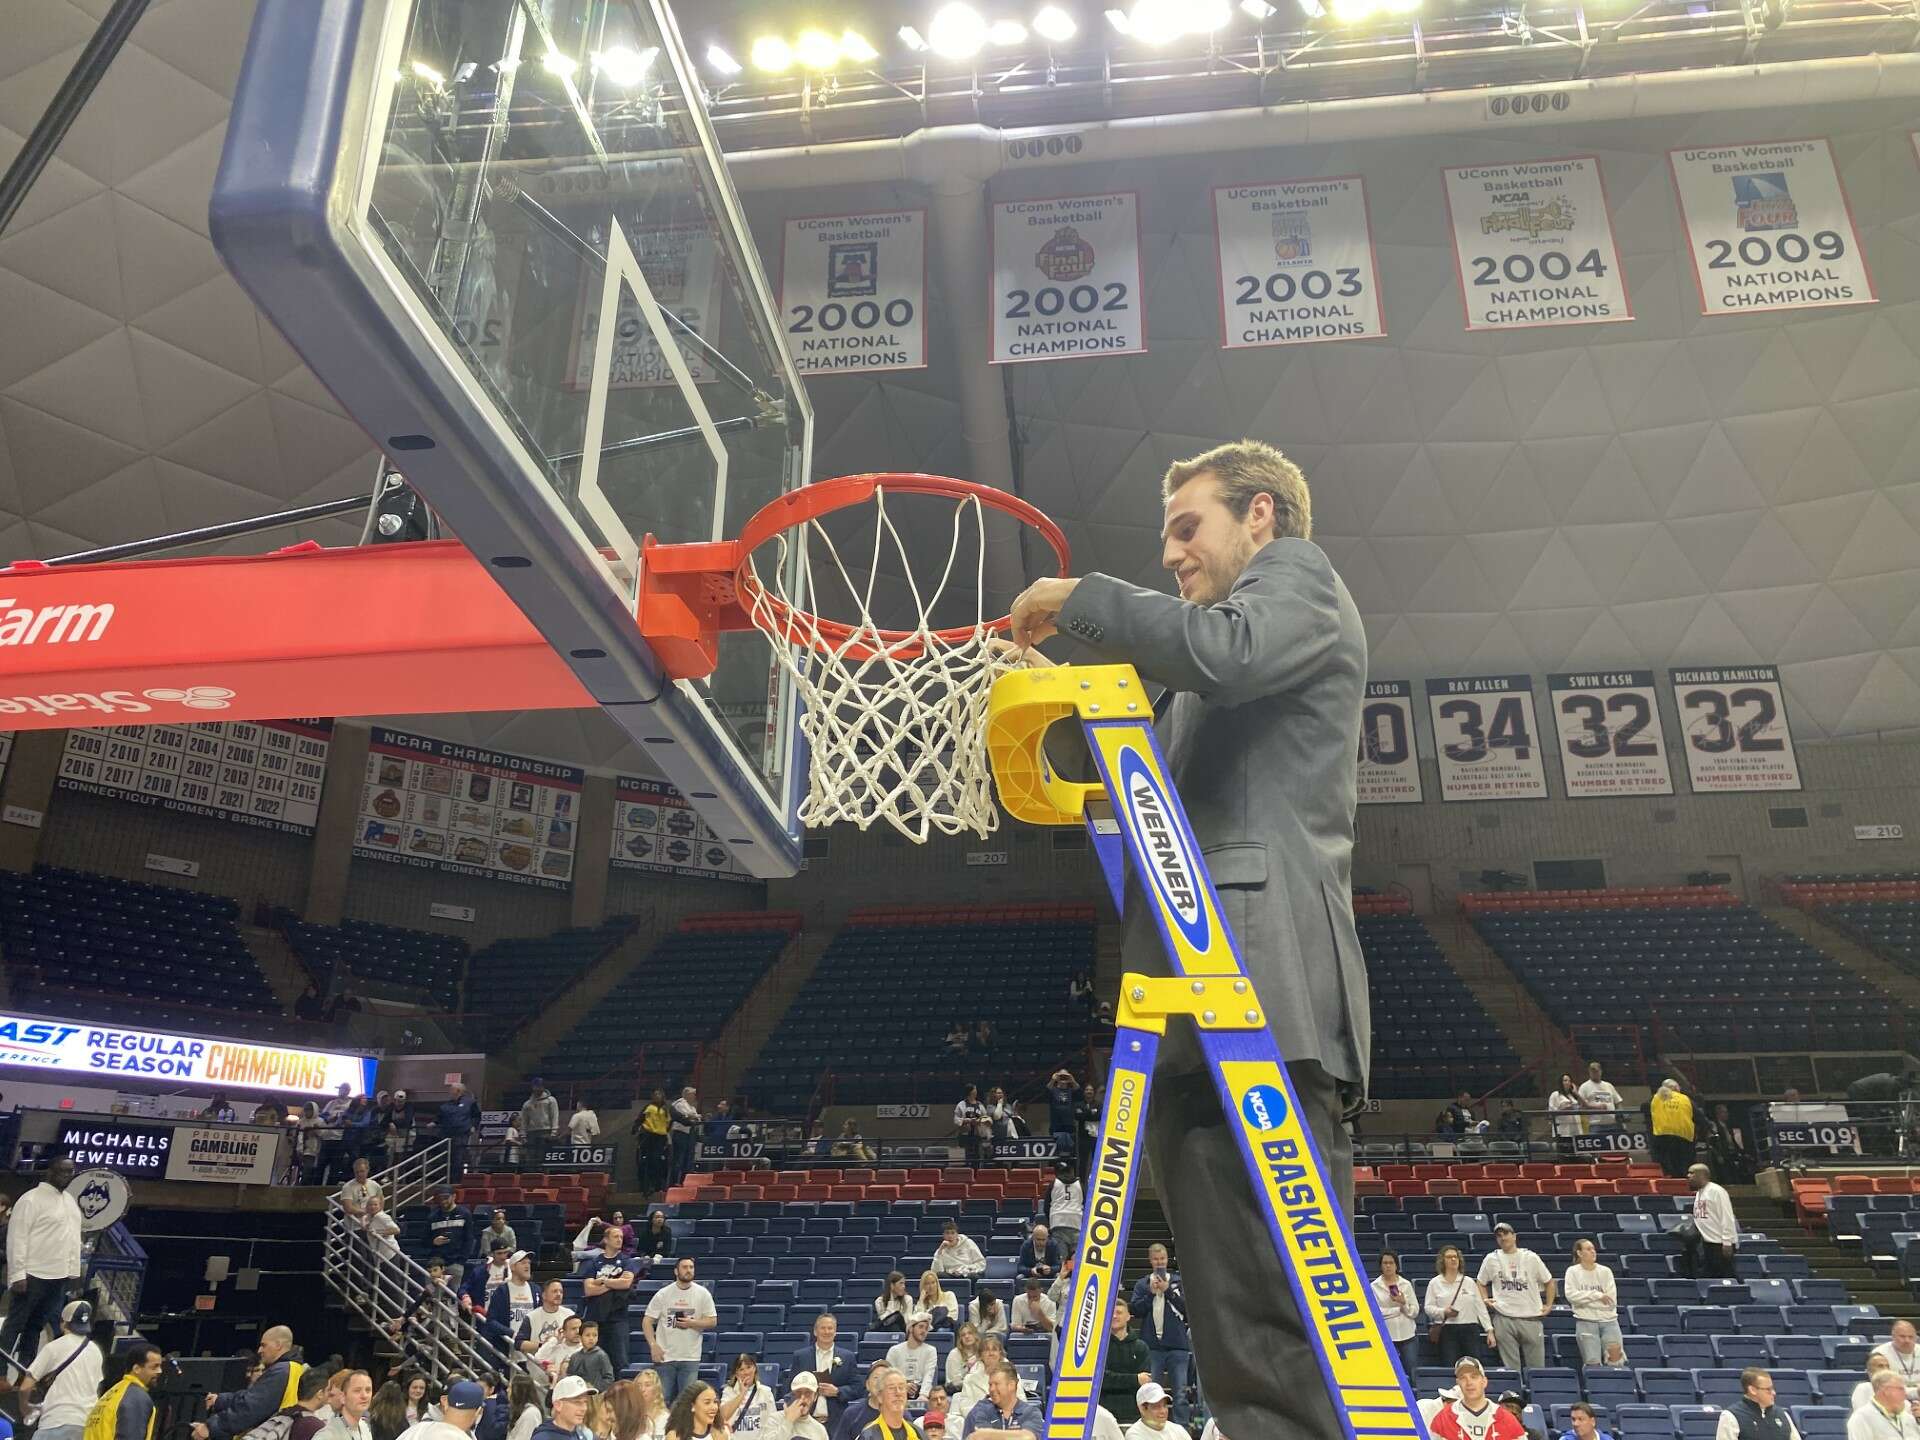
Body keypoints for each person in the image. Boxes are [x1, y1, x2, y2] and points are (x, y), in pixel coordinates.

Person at [1009, 439, 1366, 1440]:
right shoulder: (1190, 672)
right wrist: (1033, 684)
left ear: (1260, 516)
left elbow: (1222, 652)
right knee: (1240, 1352)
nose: (1171, 552)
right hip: (1180, 1003)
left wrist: (1084, 594)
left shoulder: (1297, 580)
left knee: (1284, 1343)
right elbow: (1115, 759)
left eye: (1186, 526)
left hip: (1263, 988)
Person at [3, 1149, 81, 1368]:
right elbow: (17, 1239)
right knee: (14, 1325)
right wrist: (17, 1274)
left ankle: (25, 1370)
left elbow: (74, 1239)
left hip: (58, 1276)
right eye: (62, 1172)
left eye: (71, 1172)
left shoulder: (70, 1201)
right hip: (32, 1275)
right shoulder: (30, 1200)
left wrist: (73, 1271)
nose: (67, 1176)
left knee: (36, 1326)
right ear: (50, 1172)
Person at [194, 1326, 303, 1440]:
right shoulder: (295, 1368)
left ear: (278, 1345)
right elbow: (251, 1396)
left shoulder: (281, 1371)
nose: (259, 1350)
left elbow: (251, 1407)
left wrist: (212, 1427)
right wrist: (220, 1400)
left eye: (263, 1345)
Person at [15, 1299, 102, 1440]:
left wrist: (25, 1409)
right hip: (86, 1424)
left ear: (63, 1323)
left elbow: (25, 1387)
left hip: (56, 1422)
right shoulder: (95, 1350)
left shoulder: (53, 1348)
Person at [1477, 1224, 1554, 1372]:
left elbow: (1549, 1282)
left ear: (1514, 1236)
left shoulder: (1531, 1257)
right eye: (1499, 1236)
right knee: (1511, 1370)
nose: (1503, 1238)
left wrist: (1549, 1305)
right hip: (1504, 1317)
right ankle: (1514, 1395)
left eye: (1506, 1234)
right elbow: (1480, 1283)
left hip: (1531, 1317)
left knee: (1537, 1368)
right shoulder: (1491, 1258)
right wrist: (1485, 1299)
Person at [1128, 1246, 1191, 1428]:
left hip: (1177, 1346)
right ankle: (1150, 1428)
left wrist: (1168, 1291)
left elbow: (1188, 1311)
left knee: (1180, 1393)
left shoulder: (1178, 1282)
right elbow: (1135, 1311)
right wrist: (1151, 1292)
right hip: (1152, 1347)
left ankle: (1182, 1431)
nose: (1159, 1262)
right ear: (1150, 1260)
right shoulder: (1143, 1284)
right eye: (1156, 1259)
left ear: (1167, 1259)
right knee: (1150, 1392)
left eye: (1162, 1258)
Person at [643, 1258, 717, 1403]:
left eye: (691, 1267)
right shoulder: (663, 1294)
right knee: (661, 1400)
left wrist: (692, 1323)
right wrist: (653, 1345)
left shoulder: (703, 1294)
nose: (688, 1270)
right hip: (665, 1356)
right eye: (684, 1267)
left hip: (690, 1356)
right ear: (676, 1271)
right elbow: (647, 1321)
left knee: (687, 1402)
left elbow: (712, 1321)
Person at [577, 1229, 642, 1376]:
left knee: (620, 1361)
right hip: (596, 1318)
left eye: (621, 1237)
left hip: (618, 1318)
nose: (619, 1239)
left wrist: (603, 1281)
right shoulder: (594, 1263)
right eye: (615, 1236)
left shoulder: (627, 1261)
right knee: (594, 1361)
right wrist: (614, 1283)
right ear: (606, 1240)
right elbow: (588, 1290)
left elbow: (626, 1283)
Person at [1418, 1358, 1527, 1440]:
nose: (1469, 1382)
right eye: (1463, 1378)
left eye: (1474, 1376)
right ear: (1458, 1383)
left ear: (1484, 1381)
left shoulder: (1506, 1419)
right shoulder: (1441, 1420)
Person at [1424, 1245, 1495, 1368]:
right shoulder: (1435, 1283)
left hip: (1470, 1330)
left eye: (1455, 1257)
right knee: (1450, 1365)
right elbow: (1428, 1308)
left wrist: (1489, 1330)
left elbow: (1480, 1308)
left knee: (1473, 1367)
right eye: (1449, 1257)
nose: (1453, 1259)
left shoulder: (1468, 1282)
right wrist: (1443, 1312)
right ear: (1443, 1260)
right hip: (1448, 1330)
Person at [789, 1314, 858, 1432]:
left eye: (830, 1328)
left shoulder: (848, 1357)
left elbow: (857, 1388)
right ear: (815, 1331)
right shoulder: (800, 1356)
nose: (826, 1331)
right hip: (806, 1420)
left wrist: (837, 1391)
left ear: (835, 1331)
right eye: (823, 1328)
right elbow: (791, 1387)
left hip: (837, 1423)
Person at [1562, 1239, 1624, 1368]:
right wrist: (1597, 1295)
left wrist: (1584, 1302)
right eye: (1588, 1249)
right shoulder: (1572, 1272)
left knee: (1616, 1361)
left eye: (1593, 1249)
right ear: (1579, 1253)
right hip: (1586, 1322)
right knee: (1592, 1363)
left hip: (1609, 1321)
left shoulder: (1605, 1271)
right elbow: (1571, 1296)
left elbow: (1610, 1301)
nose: (1593, 1251)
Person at [85, 1341, 165, 1440]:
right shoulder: (136, 1398)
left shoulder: (114, 1392)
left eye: (160, 1366)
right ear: (136, 1369)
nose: (160, 1371)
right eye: (154, 1367)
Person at [1683, 1163, 1739, 1279]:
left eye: (1692, 1173)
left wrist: (1727, 1242)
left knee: (1726, 1277)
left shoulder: (1716, 1191)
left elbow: (1727, 1217)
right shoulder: (1699, 1192)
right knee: (1709, 1277)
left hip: (1719, 1244)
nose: (1688, 1176)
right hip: (1707, 1243)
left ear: (1702, 1175)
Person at [1711, 1369, 1802, 1440]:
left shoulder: (1782, 1414)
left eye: (1772, 1388)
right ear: (1752, 1390)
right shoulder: (1731, 1416)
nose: (1773, 1393)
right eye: (1768, 1389)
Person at [960, 1363, 1042, 1440]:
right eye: (990, 1385)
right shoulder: (979, 1410)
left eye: (996, 1384)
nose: (991, 1389)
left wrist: (987, 1434)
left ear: (1011, 1385)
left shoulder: (1030, 1413)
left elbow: (1028, 1437)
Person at [1371, 1252, 1419, 1378]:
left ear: (1396, 1265)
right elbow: (1376, 1313)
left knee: (1412, 1372)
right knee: (1388, 1374)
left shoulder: (1406, 1284)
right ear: (1381, 1266)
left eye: (1391, 1263)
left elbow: (1414, 1312)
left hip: (1408, 1335)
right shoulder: (1374, 1286)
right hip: (1386, 1336)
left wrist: (1403, 1303)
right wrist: (1397, 1310)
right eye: (1385, 1263)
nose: (1388, 1266)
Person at [1848, 1372, 1920, 1440]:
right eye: (1901, 1389)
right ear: (1886, 1390)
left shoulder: (1908, 1418)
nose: (1905, 1394)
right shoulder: (1861, 1418)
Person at [718, 1354, 778, 1434]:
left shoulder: (766, 1392)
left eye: (749, 1367)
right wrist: (742, 1393)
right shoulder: (728, 1391)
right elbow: (722, 1417)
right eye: (741, 1369)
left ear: (755, 1369)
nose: (746, 1372)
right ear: (736, 1373)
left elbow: (773, 1421)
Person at [1649, 1079, 1696, 1178]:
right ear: (1677, 1088)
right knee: (1683, 1164)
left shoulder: (1657, 1097)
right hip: (1684, 1135)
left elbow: (1644, 1107)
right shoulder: (1685, 1098)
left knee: (1665, 1163)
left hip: (1662, 1135)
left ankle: (1669, 1179)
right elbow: (1698, 1114)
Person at [855, 1373, 923, 1440]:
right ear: (880, 1397)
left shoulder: (918, 1433)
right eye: (891, 1388)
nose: (898, 1392)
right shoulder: (868, 1436)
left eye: (901, 1388)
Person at [439, 1083, 482, 1181]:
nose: (450, 1091)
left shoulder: (470, 1102)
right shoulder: (446, 1105)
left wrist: (473, 1126)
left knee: (458, 1158)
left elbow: (476, 1116)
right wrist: (434, 1122)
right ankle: (445, 1179)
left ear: (458, 1091)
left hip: (462, 1134)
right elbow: (440, 1117)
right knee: (445, 1158)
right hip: (446, 1134)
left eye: (452, 1089)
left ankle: (456, 1180)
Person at [634, 1092, 672, 1195]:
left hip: (660, 1139)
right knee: (644, 1162)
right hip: (647, 1138)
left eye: (659, 1096)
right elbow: (640, 1119)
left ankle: (658, 1186)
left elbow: (671, 1122)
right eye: (655, 1096)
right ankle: (644, 1186)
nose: (657, 1098)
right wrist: (635, 1129)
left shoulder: (666, 1109)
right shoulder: (649, 1107)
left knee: (658, 1163)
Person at [1044, 1164, 1084, 1259]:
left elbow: (1046, 1207)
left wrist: (1050, 1221)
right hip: (1076, 1222)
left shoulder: (1054, 1183)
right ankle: (1072, 1271)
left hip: (1058, 1222)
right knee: (1075, 1258)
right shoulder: (1080, 1184)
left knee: (1061, 1258)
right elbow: (1085, 1204)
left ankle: (1063, 1271)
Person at [1125, 1383, 1190, 1440]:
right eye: (1156, 1407)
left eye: (1164, 1405)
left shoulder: (1178, 1429)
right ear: (1142, 1408)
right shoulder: (1134, 1434)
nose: (1163, 1411)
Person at [774, 1376, 829, 1440]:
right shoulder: (775, 1420)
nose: (802, 1398)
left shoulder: (820, 1430)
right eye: (798, 1392)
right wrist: (789, 1420)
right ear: (792, 1394)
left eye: (808, 1393)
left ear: (815, 1397)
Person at [567, 1323, 617, 1393]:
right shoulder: (574, 1357)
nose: (591, 1338)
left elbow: (609, 1378)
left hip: (595, 1395)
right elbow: (569, 1376)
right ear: (580, 1337)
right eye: (587, 1335)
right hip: (577, 1394)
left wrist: (595, 1388)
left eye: (595, 1335)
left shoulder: (601, 1355)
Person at [429, 1186, 474, 1262]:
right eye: (441, 1198)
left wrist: (462, 1259)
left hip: (457, 1261)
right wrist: (433, 1241)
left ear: (454, 1196)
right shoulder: (432, 1216)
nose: (443, 1201)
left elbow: (469, 1238)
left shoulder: (465, 1214)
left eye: (446, 1198)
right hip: (437, 1261)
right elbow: (424, 1239)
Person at [1873, 1321, 1920, 1395]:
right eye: (1902, 1336)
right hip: (1892, 1396)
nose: (1907, 1340)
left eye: (1911, 1337)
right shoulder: (1880, 1354)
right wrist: (1915, 1392)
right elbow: (1881, 1385)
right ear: (1893, 1336)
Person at [327, 1373, 377, 1440]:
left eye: (368, 1390)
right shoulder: (327, 1434)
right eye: (357, 1391)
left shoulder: (365, 1428)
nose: (364, 1396)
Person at [668, 1089, 701, 1187]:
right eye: (693, 1094)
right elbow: (686, 1117)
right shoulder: (680, 1103)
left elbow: (696, 1118)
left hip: (690, 1133)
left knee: (688, 1158)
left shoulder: (692, 1107)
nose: (695, 1096)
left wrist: (693, 1117)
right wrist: (692, 1116)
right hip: (681, 1133)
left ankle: (685, 1180)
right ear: (686, 1094)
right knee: (679, 1158)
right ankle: (674, 1181)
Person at [537, 1317, 585, 1381]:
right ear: (564, 1332)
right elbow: (538, 1358)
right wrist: (555, 1340)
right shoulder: (558, 1347)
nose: (578, 1332)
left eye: (580, 1328)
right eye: (573, 1329)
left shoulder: (587, 1349)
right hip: (559, 1387)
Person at [1578, 1063, 1622, 1132]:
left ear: (1601, 1071)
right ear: (1589, 1072)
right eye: (1593, 1071)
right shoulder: (1584, 1087)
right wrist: (1596, 1107)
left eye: (1596, 1071)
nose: (1595, 1073)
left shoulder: (1608, 1085)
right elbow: (1581, 1106)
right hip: (1595, 1124)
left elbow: (1617, 1102)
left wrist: (1619, 1116)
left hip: (1612, 1123)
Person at [521, 1081, 560, 1153]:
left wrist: (554, 1132)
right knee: (531, 1157)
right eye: (536, 1086)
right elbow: (524, 1120)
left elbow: (554, 1116)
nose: (537, 1088)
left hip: (546, 1131)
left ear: (543, 1087)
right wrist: (523, 1135)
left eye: (539, 1086)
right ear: (532, 1088)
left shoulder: (551, 1100)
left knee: (544, 1155)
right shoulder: (527, 1104)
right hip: (531, 1133)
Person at [1547, 1076, 1583, 1148]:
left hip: (1575, 1129)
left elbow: (1582, 1105)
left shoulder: (1572, 1096)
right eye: (1565, 1080)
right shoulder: (1555, 1095)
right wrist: (1563, 1109)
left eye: (1569, 1081)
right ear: (1561, 1082)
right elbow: (1551, 1113)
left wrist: (1576, 1093)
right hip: (1562, 1130)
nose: (1568, 1083)